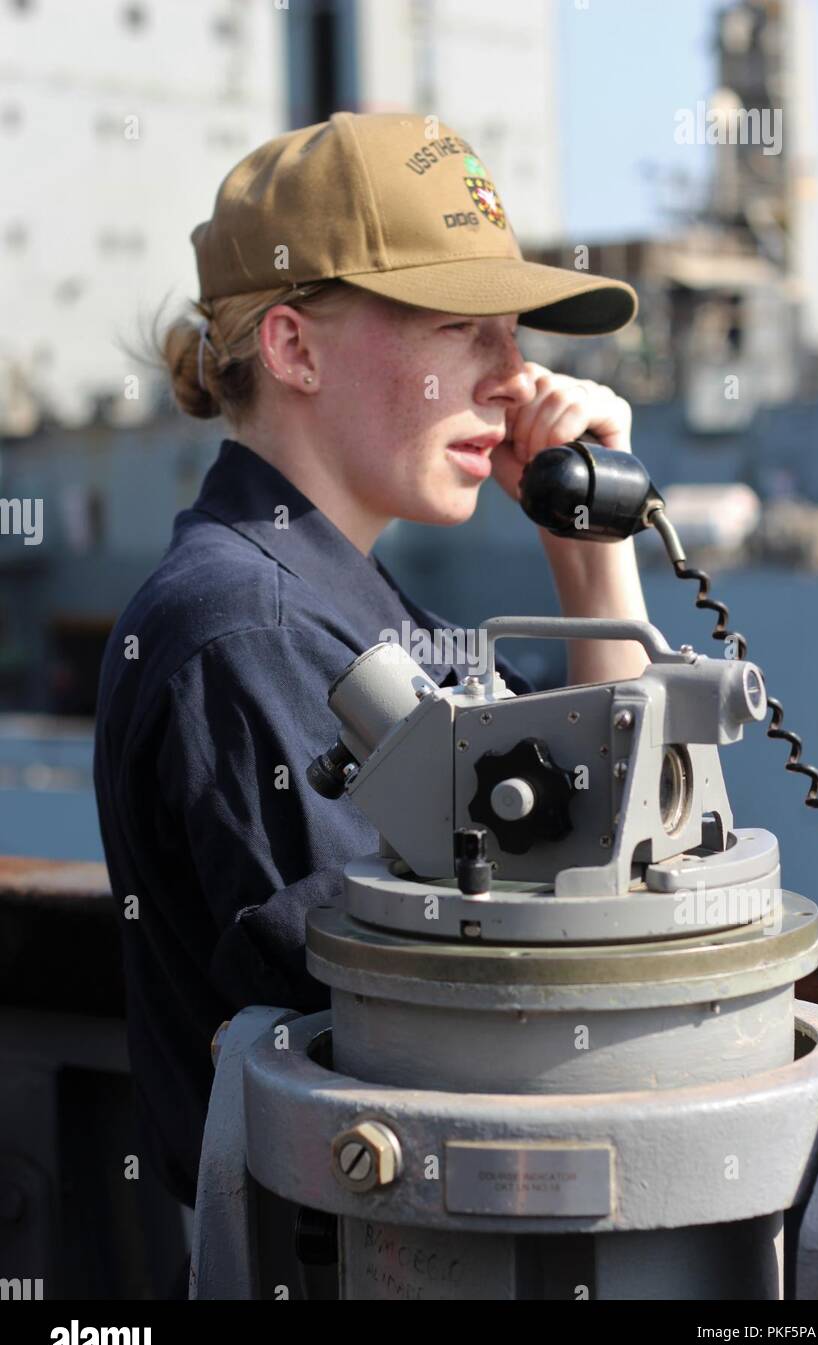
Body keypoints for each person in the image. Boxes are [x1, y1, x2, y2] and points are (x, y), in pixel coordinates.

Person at [92, 110, 649, 1221]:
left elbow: (620, 848)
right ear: (294, 349)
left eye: (513, 334)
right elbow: (448, 1032)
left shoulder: (332, 606)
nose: (510, 377)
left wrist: (589, 553)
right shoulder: (249, 632)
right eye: (460, 330)